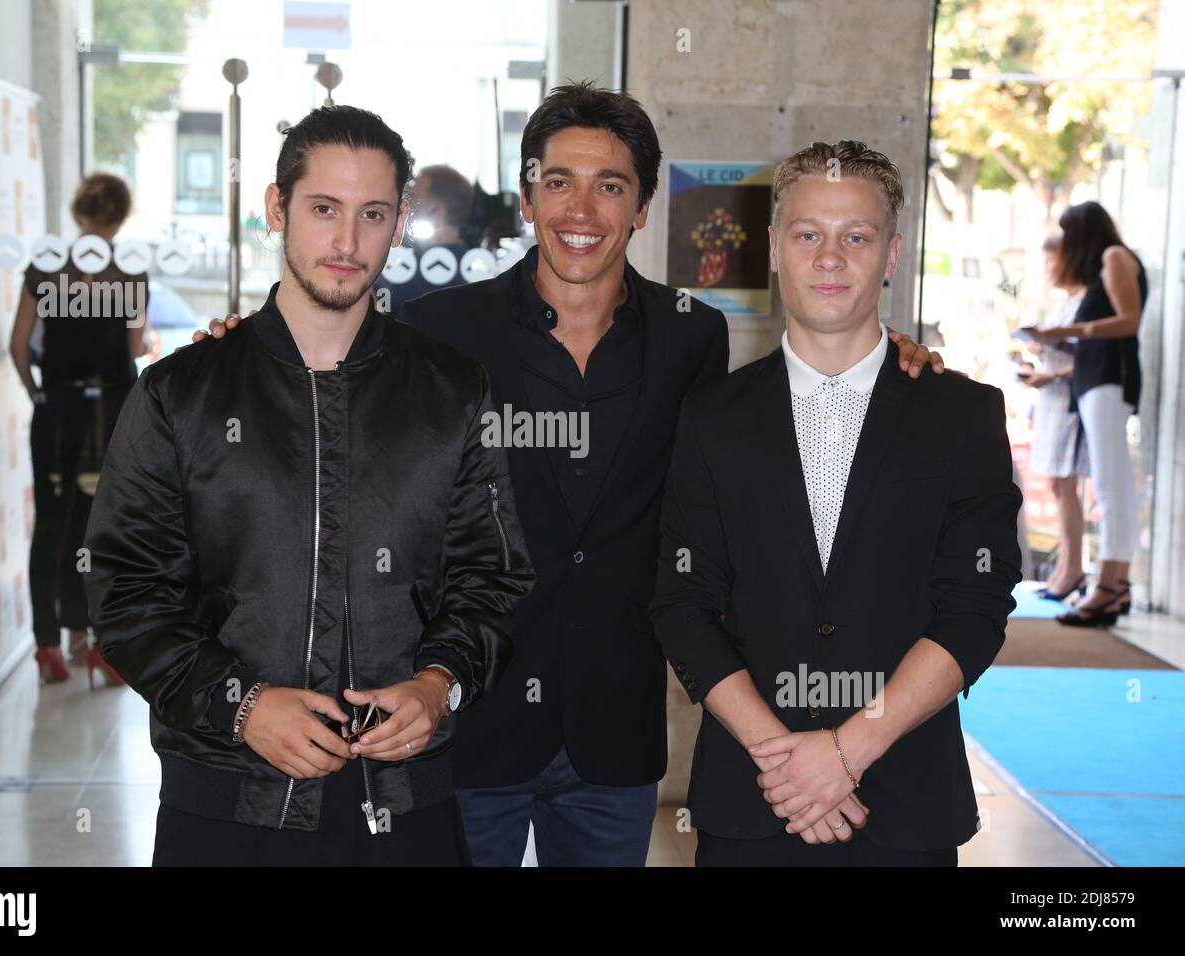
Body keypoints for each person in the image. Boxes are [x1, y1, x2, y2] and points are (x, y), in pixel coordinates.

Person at [196, 83, 942, 867]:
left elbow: (748, 449)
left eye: (609, 186)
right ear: (527, 197)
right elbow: (315, 363)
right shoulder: (439, 328)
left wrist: (890, 355)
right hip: (463, 718)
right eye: (559, 183)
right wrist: (239, 345)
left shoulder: (693, 336)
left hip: (614, 729)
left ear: (644, 206)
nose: (581, 211)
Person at [82, 105, 536, 866]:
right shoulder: (179, 393)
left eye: (373, 215)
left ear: (399, 226)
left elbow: (493, 577)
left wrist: (438, 684)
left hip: (405, 806)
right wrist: (242, 707)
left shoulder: (452, 392)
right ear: (277, 207)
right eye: (324, 209)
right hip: (224, 800)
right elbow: (124, 592)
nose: (347, 242)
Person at [651, 140, 1022, 866]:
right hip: (753, 800)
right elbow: (681, 603)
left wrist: (848, 751)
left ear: (890, 254)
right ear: (772, 248)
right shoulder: (710, 417)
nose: (830, 257)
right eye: (807, 234)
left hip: (906, 802)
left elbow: (976, 607)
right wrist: (786, 763)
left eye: (856, 236)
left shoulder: (963, 415)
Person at [8, 172, 146, 686]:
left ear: (78, 213)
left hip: (57, 409)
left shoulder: (44, 269)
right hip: (108, 411)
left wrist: (39, 394)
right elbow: (135, 348)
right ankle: (94, 642)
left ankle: (48, 646)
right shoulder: (129, 273)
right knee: (100, 528)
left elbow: (18, 344)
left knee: (50, 524)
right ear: (120, 216)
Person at [1022, 201, 1145, 627]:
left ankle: (1109, 585)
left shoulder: (1114, 257)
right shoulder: (1106, 264)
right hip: (1095, 379)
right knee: (1111, 486)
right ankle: (1117, 583)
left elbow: (1129, 321)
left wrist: (1065, 331)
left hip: (1108, 378)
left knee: (1111, 487)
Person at [1019, 235, 1088, 602]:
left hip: (1067, 402)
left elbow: (1085, 358)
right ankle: (1066, 567)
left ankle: (1072, 568)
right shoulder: (1066, 304)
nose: (1048, 270)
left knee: (1066, 486)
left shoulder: (1084, 304)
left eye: (1053, 262)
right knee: (1059, 486)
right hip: (1051, 399)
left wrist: (1052, 369)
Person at [374, 164, 473, 308]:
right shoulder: (473, 269)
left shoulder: (411, 273)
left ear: (436, 208)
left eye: (414, 197)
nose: (406, 207)